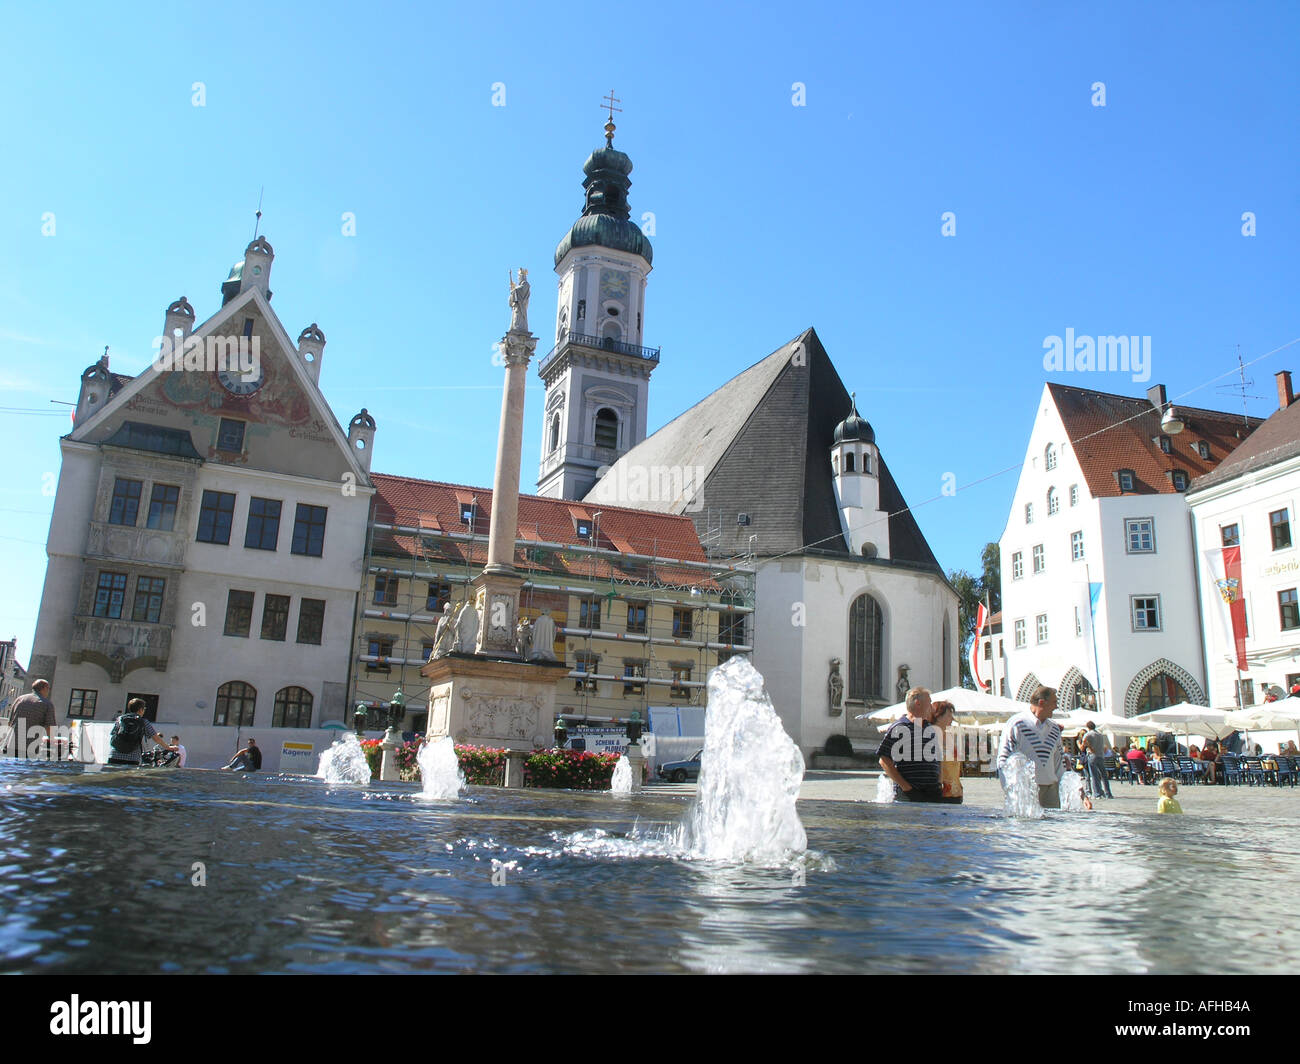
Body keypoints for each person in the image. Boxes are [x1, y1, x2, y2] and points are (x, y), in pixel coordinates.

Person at [996, 685, 1064, 808]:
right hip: (1025, 790)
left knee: (1053, 820)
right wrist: (1009, 789)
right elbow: (1003, 758)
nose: (1056, 707)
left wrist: (1062, 786)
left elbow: (1059, 761)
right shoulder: (1017, 724)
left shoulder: (1054, 728)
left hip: (1051, 791)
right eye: (1054, 702)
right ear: (1042, 702)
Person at [876, 687, 943, 803]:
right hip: (910, 794)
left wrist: (939, 781)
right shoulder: (899, 727)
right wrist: (907, 788)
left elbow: (938, 757)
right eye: (929, 702)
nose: (932, 707)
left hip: (933, 793)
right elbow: (884, 760)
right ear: (918, 703)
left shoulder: (929, 728)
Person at [107, 699, 177, 768]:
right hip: (132, 758)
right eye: (144, 709)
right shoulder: (143, 721)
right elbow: (156, 738)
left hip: (114, 755)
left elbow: (113, 734)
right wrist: (168, 747)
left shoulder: (120, 719)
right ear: (140, 710)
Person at [4, 679, 58, 758]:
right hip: (29, 746)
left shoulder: (19, 699)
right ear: (44, 688)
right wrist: (52, 744)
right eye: (48, 688)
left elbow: (10, 723)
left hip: (11, 743)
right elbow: (50, 727)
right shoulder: (46, 704)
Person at [930, 699, 963, 804]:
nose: (952, 718)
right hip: (941, 792)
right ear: (938, 716)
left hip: (955, 792)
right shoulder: (930, 736)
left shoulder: (949, 736)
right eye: (949, 715)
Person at [1081, 721, 1114, 799]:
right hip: (1101, 755)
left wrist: (1087, 746)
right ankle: (1108, 793)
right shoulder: (1100, 734)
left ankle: (1097, 794)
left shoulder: (1088, 734)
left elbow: (1083, 746)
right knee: (1104, 775)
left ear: (1087, 727)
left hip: (1092, 755)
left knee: (1094, 775)